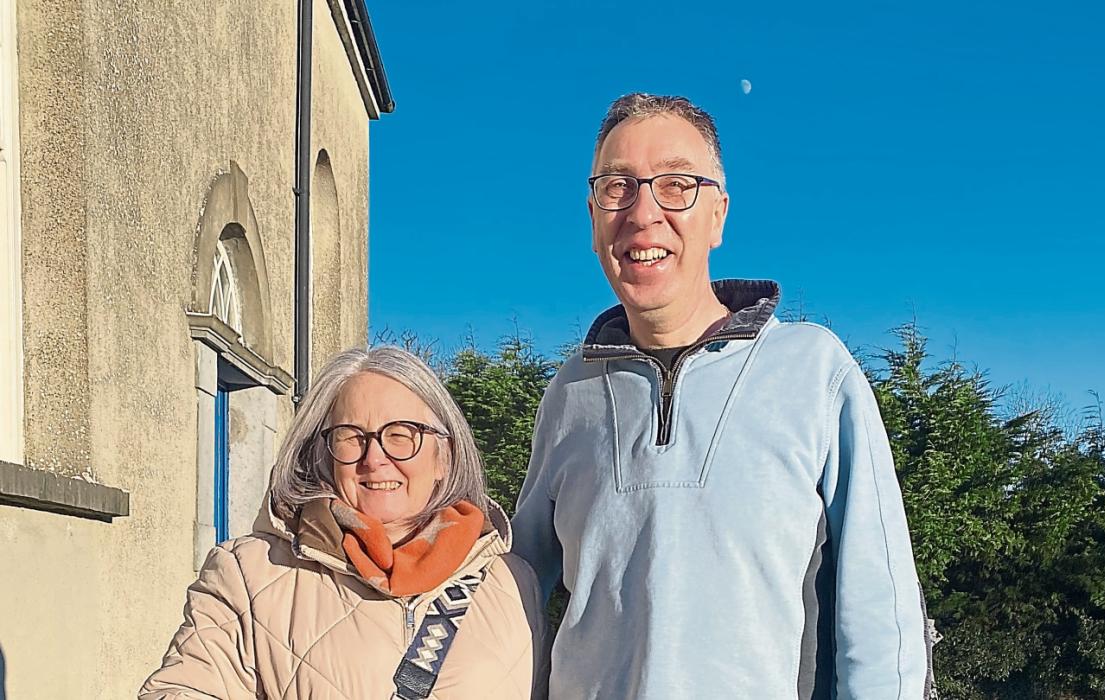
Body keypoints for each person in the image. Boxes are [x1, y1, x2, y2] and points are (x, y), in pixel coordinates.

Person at [511, 93, 932, 698]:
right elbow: (517, 588)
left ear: (719, 216)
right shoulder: (569, 393)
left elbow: (879, 598)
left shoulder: (814, 371)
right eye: (617, 186)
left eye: (676, 185)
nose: (643, 212)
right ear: (592, 215)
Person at [141, 347, 548, 700]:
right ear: (324, 455)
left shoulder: (512, 583)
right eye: (351, 436)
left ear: (445, 457)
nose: (374, 459)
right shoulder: (249, 574)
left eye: (403, 435)